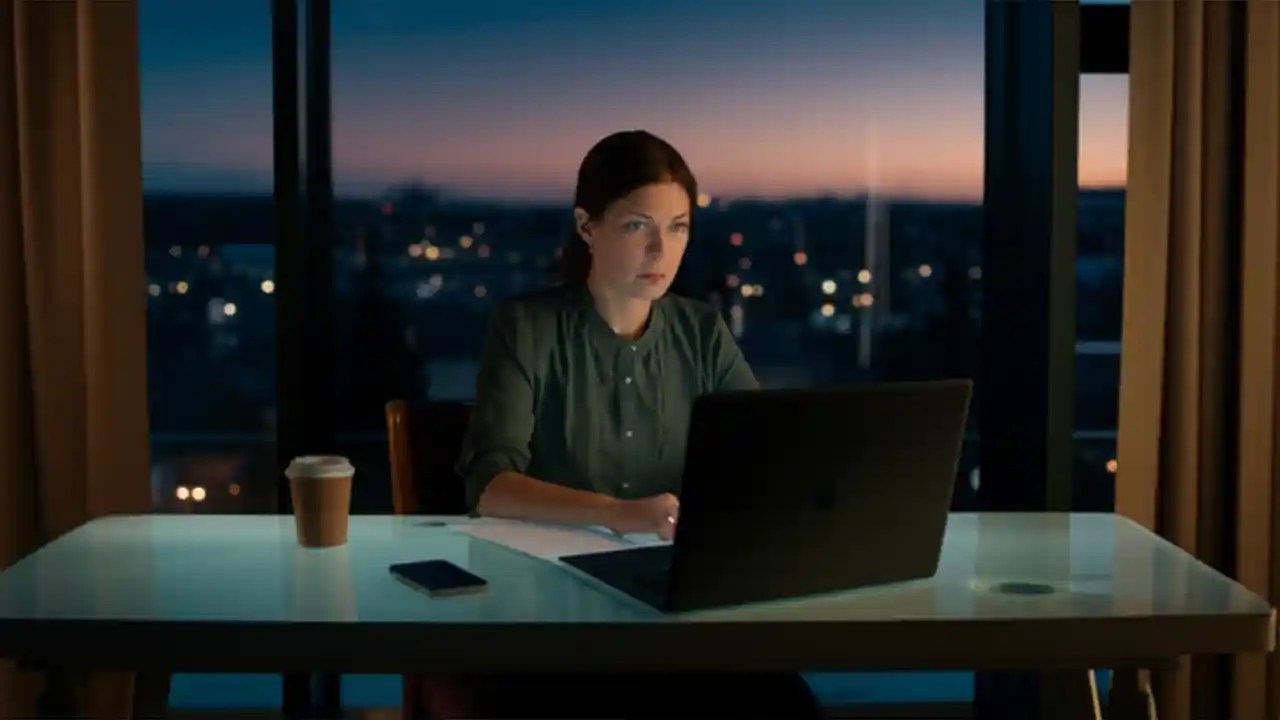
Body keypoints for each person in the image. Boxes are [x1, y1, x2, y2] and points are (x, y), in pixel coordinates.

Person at [422, 130, 823, 719]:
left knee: (785, 702)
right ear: (588, 227)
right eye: (638, 226)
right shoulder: (526, 328)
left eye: (678, 227)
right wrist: (616, 512)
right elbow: (490, 488)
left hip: (677, 600)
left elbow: (763, 448)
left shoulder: (701, 332)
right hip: (552, 603)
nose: (661, 250)